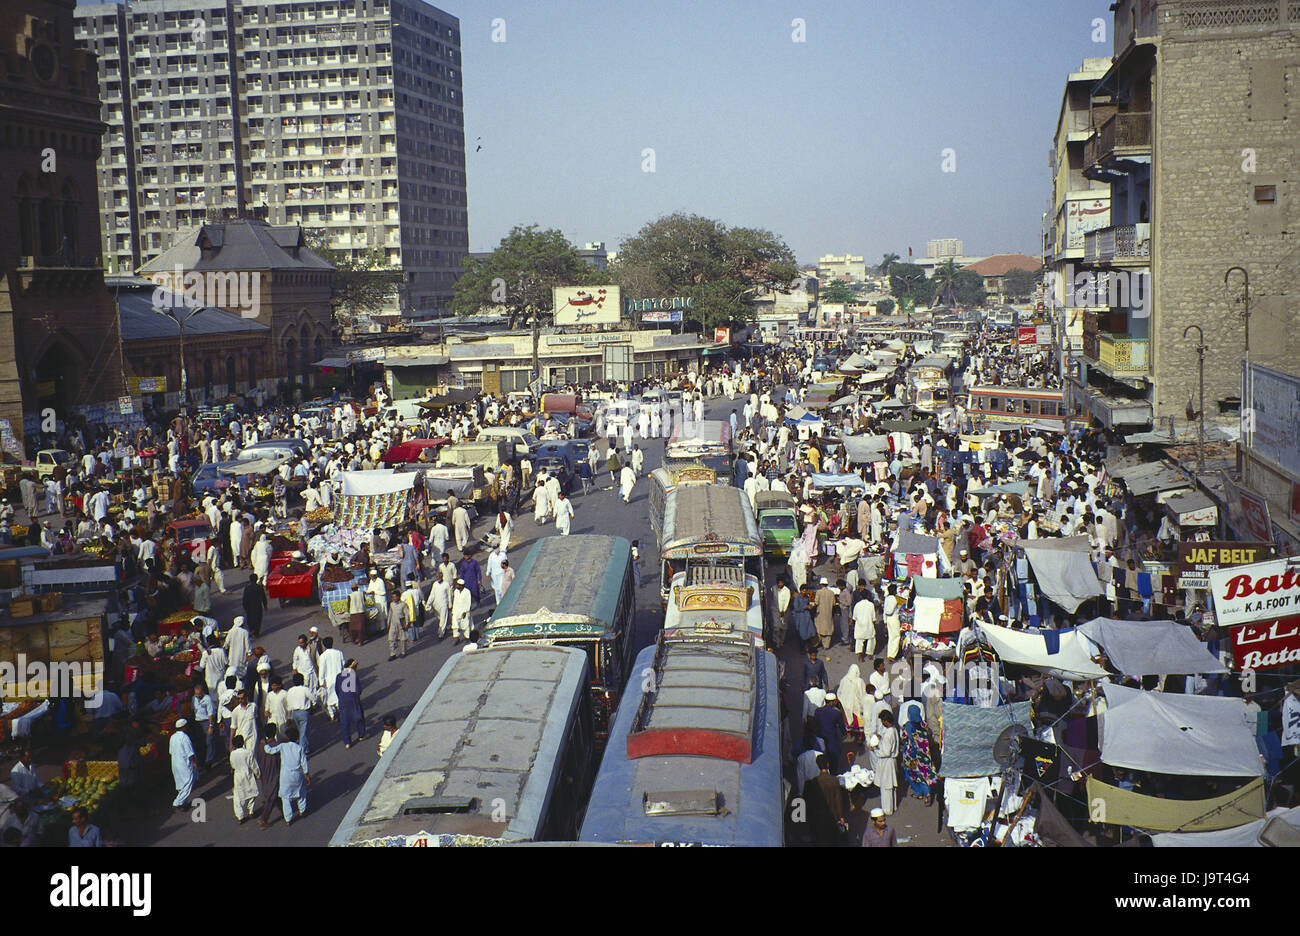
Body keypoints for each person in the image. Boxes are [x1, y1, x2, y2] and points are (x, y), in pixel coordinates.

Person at [263, 723, 309, 826]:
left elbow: (270, 750)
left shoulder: (283, 746)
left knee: (286, 798)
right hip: (297, 775)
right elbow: (304, 763)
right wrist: (307, 774)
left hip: (286, 776)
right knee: (301, 793)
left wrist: (265, 743)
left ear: (287, 737)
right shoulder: (299, 748)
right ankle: (302, 810)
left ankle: (288, 819)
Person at [229, 734, 260, 824]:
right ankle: (251, 811)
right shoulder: (248, 753)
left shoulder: (232, 754)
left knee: (238, 797)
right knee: (252, 793)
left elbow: (233, 765)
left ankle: (240, 816)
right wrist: (258, 775)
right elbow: (254, 765)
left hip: (238, 776)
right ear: (243, 743)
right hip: (248, 775)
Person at [169, 716, 198, 811]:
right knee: (188, 782)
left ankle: (184, 803)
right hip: (184, 763)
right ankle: (178, 802)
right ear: (184, 727)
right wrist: (194, 763)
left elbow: (171, 751)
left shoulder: (172, 737)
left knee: (180, 783)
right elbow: (190, 752)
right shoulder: (185, 738)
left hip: (175, 763)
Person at [875, 710, 900, 815]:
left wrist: (875, 749)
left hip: (887, 762)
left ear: (885, 721)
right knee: (890, 786)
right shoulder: (893, 730)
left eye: (882, 720)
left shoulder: (889, 733)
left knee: (886, 787)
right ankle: (892, 806)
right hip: (891, 761)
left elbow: (885, 752)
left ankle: (887, 809)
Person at [337, 660, 365, 749]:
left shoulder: (338, 676)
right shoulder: (353, 675)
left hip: (343, 701)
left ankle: (347, 742)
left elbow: (337, 690)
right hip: (353, 700)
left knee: (344, 722)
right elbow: (358, 690)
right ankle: (361, 735)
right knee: (359, 717)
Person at [317, 637, 345, 720]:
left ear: (324, 645)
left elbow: (321, 670)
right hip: (339, 678)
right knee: (339, 696)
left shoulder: (323, 656)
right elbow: (344, 665)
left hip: (328, 681)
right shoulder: (339, 653)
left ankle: (332, 715)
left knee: (329, 698)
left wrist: (321, 682)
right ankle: (341, 711)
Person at [286, 673, 313, 756]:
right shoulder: (305, 689)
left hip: (294, 713)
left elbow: (288, 703)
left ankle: (307, 748)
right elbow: (313, 698)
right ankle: (301, 752)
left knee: (302, 731)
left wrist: (289, 716)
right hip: (304, 712)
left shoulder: (290, 690)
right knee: (303, 733)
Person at [814, 578, 836, 650]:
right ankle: (826, 645)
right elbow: (833, 603)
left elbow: (816, 602)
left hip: (820, 613)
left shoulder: (819, 592)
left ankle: (818, 642)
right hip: (829, 612)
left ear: (821, 585)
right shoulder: (831, 593)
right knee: (828, 628)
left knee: (819, 627)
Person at [450, 577, 473, 644]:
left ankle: (467, 637)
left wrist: (465, 611)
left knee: (465, 625)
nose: (456, 586)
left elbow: (468, 602)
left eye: (458, 585)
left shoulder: (467, 592)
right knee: (455, 625)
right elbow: (455, 601)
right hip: (456, 611)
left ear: (461, 585)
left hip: (464, 611)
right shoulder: (456, 592)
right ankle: (456, 638)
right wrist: (453, 611)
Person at [347, 581, 366, 646]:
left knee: (352, 627)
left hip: (353, 612)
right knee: (360, 628)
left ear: (352, 589)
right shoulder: (361, 593)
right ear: (357, 588)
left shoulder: (350, 595)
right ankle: (360, 641)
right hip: (361, 612)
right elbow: (364, 600)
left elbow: (348, 605)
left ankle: (353, 639)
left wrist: (348, 610)